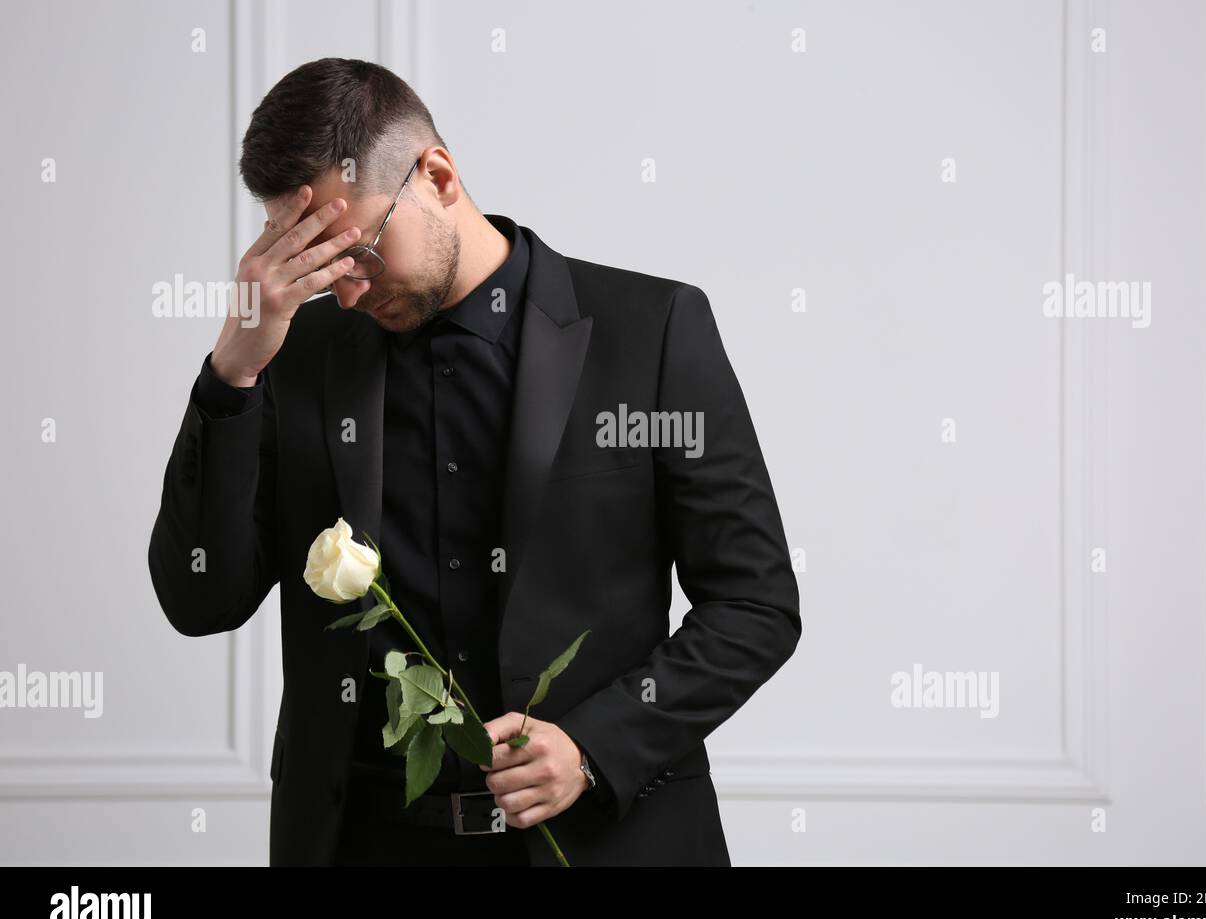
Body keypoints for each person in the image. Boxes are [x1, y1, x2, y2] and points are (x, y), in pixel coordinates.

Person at [147, 57, 801, 866]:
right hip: (361, 844)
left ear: (438, 176)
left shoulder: (654, 331)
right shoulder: (291, 357)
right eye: (316, 263)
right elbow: (200, 598)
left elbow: (755, 603)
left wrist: (596, 747)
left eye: (358, 250)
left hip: (608, 838)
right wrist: (232, 373)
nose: (345, 292)